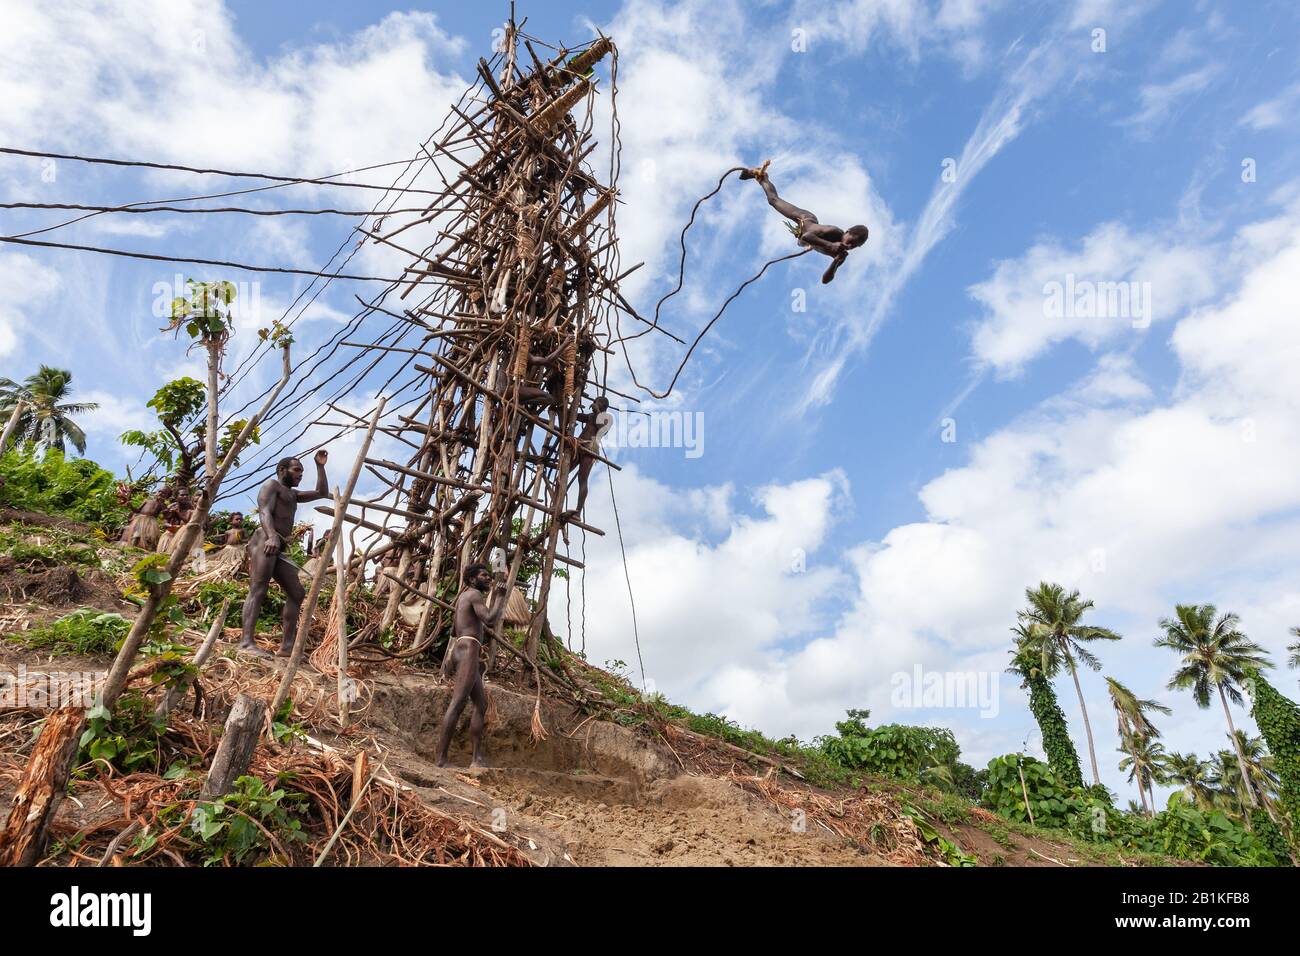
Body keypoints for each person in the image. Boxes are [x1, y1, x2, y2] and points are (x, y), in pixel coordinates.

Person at [238, 451, 329, 657]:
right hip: (266, 539)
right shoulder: (272, 486)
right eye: (297, 470)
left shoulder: (293, 494)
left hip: (280, 545)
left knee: (296, 592)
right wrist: (271, 536)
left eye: (302, 472)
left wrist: (320, 466)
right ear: (282, 470)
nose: (300, 475)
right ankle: (246, 643)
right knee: (258, 588)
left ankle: (287, 647)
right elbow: (265, 511)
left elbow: (322, 492)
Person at [741, 160, 868, 284]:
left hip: (805, 239)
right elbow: (807, 236)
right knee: (773, 200)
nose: (850, 246)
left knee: (803, 242)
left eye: (854, 246)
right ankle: (761, 176)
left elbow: (825, 280)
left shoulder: (840, 254)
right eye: (850, 241)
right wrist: (830, 245)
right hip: (805, 219)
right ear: (847, 232)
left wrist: (835, 262)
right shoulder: (834, 231)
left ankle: (761, 176)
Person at [434, 563, 507, 768]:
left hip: (462, 648)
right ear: (472, 579)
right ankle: (440, 759)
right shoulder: (474, 594)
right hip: (469, 650)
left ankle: (476, 758)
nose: (488, 578)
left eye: (488, 575)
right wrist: (500, 596)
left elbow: (453, 632)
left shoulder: (462, 597)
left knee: (481, 704)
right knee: (458, 702)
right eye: (484, 575)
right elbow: (490, 619)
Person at [564, 396, 610, 521]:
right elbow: (575, 416)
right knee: (564, 472)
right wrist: (569, 408)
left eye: (596, 402)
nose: (593, 403)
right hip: (578, 445)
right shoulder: (591, 416)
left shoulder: (606, 418)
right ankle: (556, 501)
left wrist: (597, 412)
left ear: (603, 405)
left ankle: (578, 513)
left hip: (590, 448)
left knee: (582, 479)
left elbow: (603, 429)